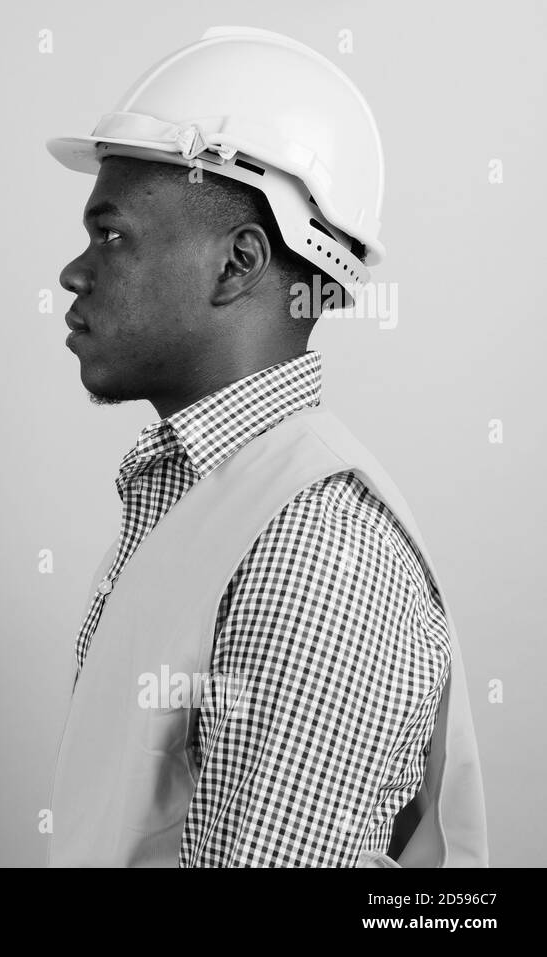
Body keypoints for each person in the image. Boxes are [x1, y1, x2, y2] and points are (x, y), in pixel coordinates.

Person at [44, 26, 488, 867]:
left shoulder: (309, 553)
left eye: (111, 235)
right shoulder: (208, 502)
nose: (74, 271)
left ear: (236, 263)